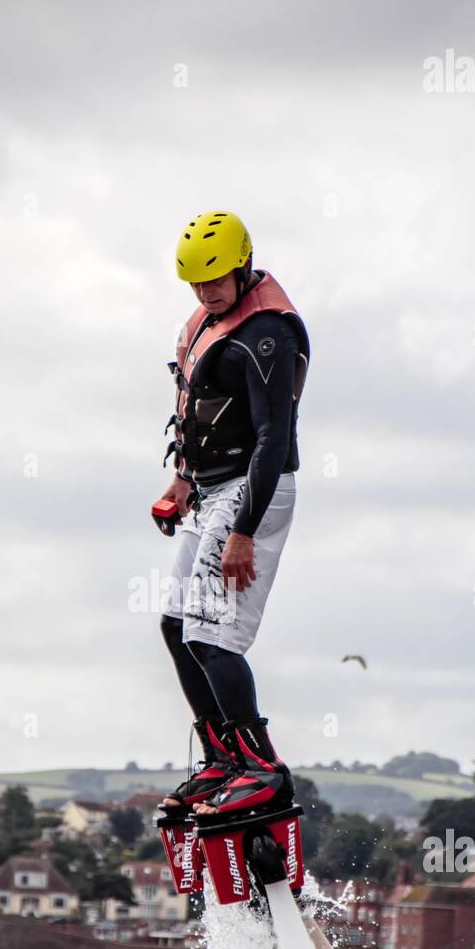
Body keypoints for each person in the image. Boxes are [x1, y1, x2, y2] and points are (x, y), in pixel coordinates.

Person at [156, 210, 310, 819]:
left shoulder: (268, 333)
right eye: (195, 283)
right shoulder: (206, 323)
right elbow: (196, 411)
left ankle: (260, 769)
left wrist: (244, 530)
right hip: (210, 489)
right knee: (175, 626)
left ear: (243, 265)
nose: (206, 292)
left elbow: (274, 437)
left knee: (214, 636)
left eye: (216, 279)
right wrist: (181, 482)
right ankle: (221, 760)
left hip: (254, 490)